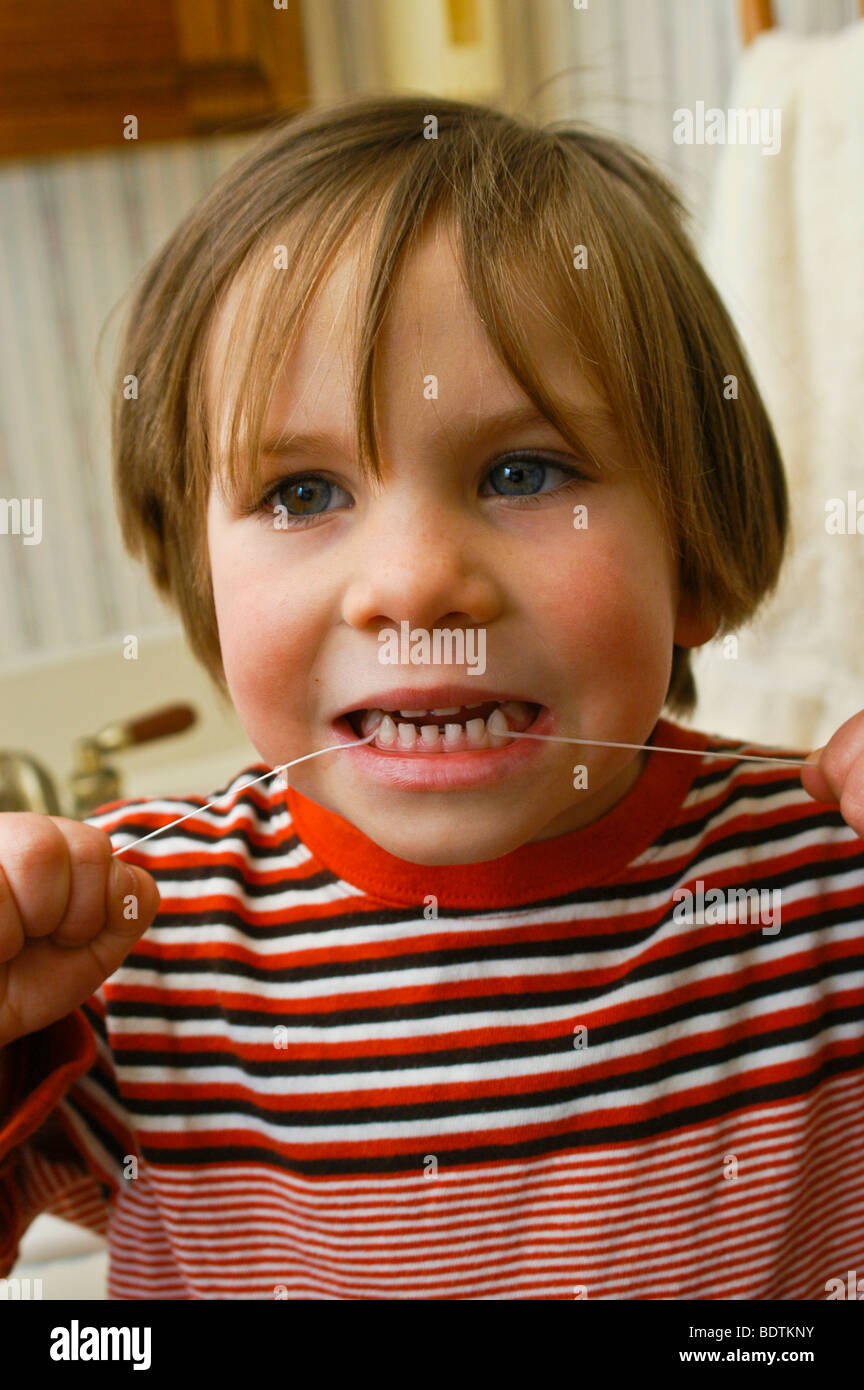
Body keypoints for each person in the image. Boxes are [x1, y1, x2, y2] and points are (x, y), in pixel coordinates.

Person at [1, 93, 862, 1300]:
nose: (410, 584)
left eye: (524, 471)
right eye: (301, 493)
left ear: (697, 555)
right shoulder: (129, 945)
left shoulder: (820, 893)